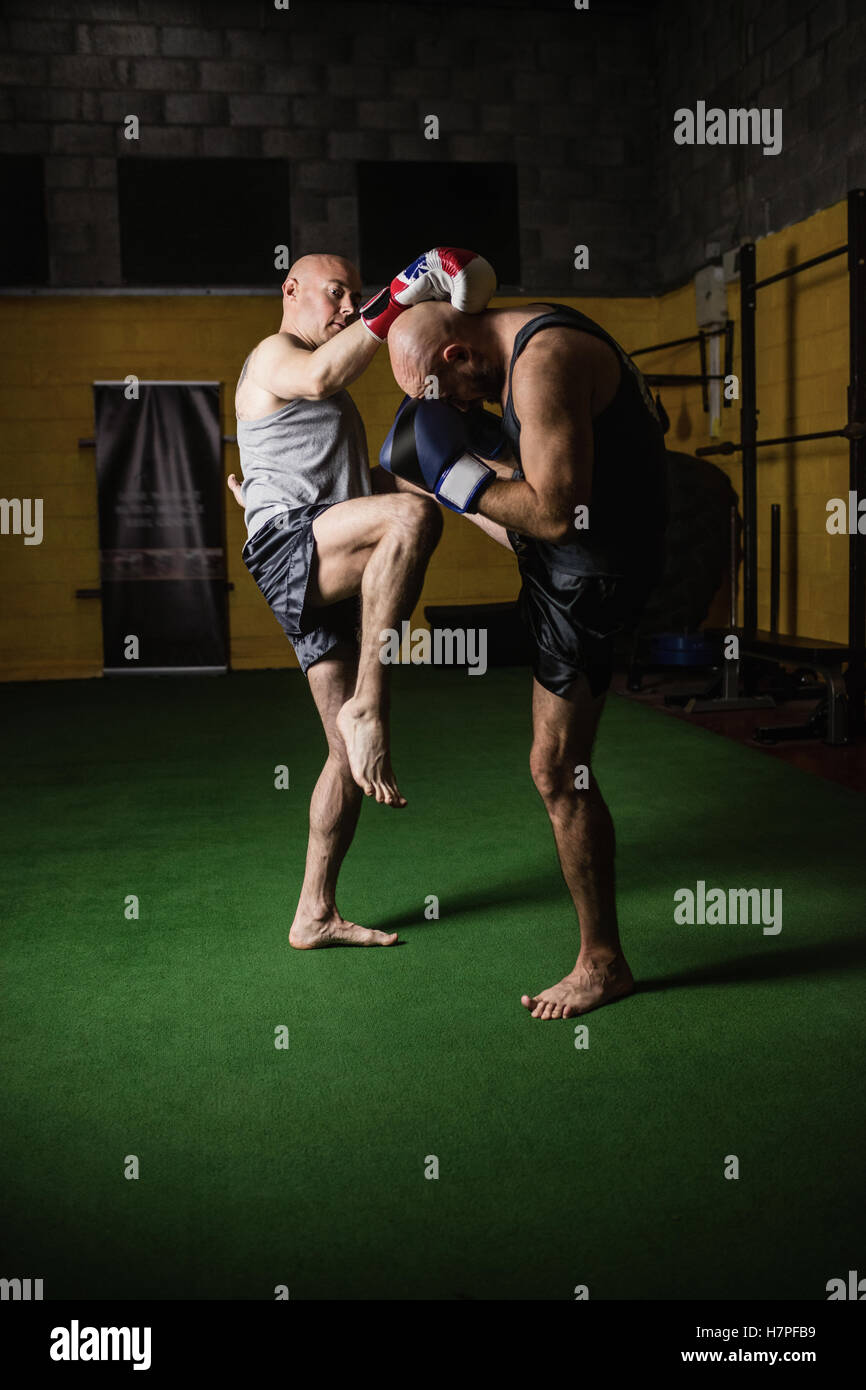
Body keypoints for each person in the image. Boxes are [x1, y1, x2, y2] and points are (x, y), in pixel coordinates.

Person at [382, 298, 668, 1015]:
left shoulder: (541, 364)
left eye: (444, 391)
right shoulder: (502, 331)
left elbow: (554, 514)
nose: (449, 406)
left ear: (454, 354)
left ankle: (603, 962)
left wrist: (457, 478)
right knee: (413, 469)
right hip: (567, 551)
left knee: (555, 768)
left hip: (591, 566)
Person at [229, 249, 495, 949]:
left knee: (340, 759)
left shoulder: (326, 394)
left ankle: (313, 913)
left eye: (356, 295)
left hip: (323, 551)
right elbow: (319, 374)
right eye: (336, 293)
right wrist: (402, 293)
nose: (348, 307)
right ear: (290, 289)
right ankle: (370, 702)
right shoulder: (274, 355)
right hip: (298, 550)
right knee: (411, 520)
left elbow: (343, 480)